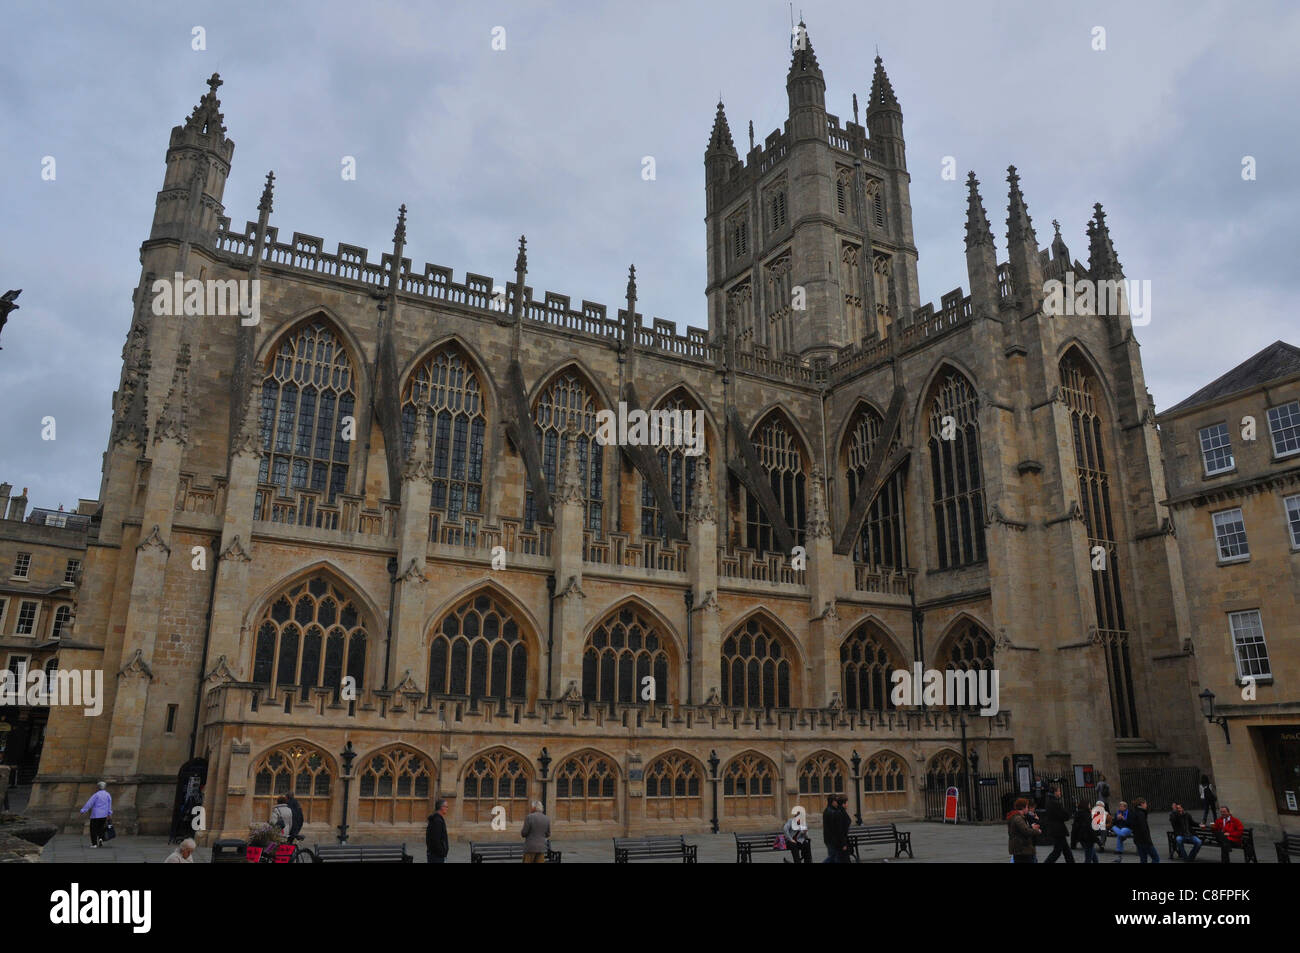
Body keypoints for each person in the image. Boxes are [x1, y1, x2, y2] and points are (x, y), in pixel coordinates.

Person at [1041, 785, 1074, 863]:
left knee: (1066, 851)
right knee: (1057, 852)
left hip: (1056, 829)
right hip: (1058, 830)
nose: (1060, 793)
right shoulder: (1054, 803)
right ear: (1055, 792)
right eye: (1059, 791)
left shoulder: (1049, 801)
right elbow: (1065, 816)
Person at [79, 781, 113, 848]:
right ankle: (100, 839)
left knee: (93, 829)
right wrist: (109, 813)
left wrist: (83, 810)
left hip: (95, 815)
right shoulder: (108, 795)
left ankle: (94, 843)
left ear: (98, 787)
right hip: (104, 815)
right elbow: (109, 805)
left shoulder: (96, 795)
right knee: (101, 828)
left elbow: (90, 803)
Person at [1008, 798, 1040, 863]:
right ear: (1023, 808)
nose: (1027, 809)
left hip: (1021, 848)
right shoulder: (1018, 818)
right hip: (1021, 848)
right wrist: (1037, 831)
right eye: (1027, 807)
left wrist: (1031, 827)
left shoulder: (1019, 817)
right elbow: (1025, 831)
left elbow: (1022, 829)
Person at [1129, 797, 1159, 864]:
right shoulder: (1141, 814)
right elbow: (1143, 829)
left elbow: (1132, 826)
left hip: (1137, 840)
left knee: (1143, 859)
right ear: (1142, 804)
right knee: (1156, 858)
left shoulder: (1134, 812)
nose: (1146, 805)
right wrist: (1148, 841)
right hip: (1145, 841)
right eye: (1145, 803)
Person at [1072, 798, 1099, 863]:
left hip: (1082, 838)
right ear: (1086, 805)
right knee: (1088, 858)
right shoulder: (1086, 815)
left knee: (1094, 857)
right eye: (1089, 804)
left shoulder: (1078, 814)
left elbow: (1074, 828)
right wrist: (1097, 840)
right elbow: (1089, 828)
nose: (1090, 806)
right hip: (1088, 838)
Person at [426, 798, 450, 863]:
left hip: (435, 855)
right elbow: (436, 840)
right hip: (436, 856)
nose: (447, 809)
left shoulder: (437, 819)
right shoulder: (437, 821)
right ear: (442, 807)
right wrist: (442, 852)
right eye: (446, 807)